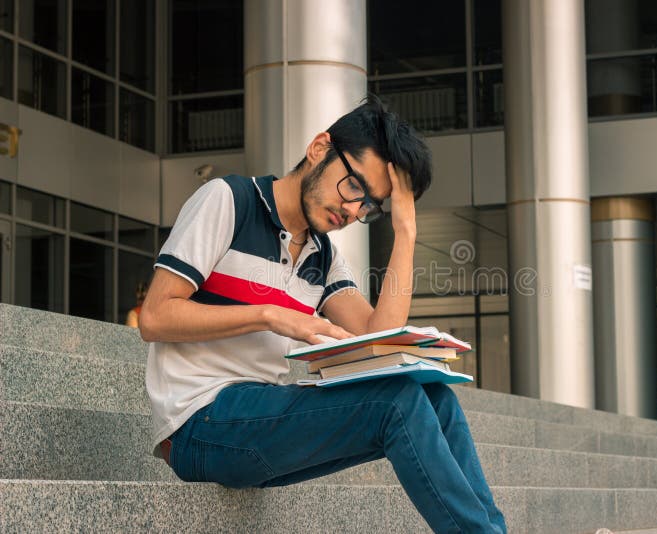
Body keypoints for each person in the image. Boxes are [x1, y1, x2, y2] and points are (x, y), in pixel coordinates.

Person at [139, 97, 507, 533]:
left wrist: (406, 231)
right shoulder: (229, 201)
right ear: (319, 149)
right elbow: (155, 317)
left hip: (258, 421)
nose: (353, 210)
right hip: (198, 424)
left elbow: (382, 337)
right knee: (397, 401)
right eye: (353, 186)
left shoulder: (323, 255)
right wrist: (271, 315)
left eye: (369, 206)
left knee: (434, 398)